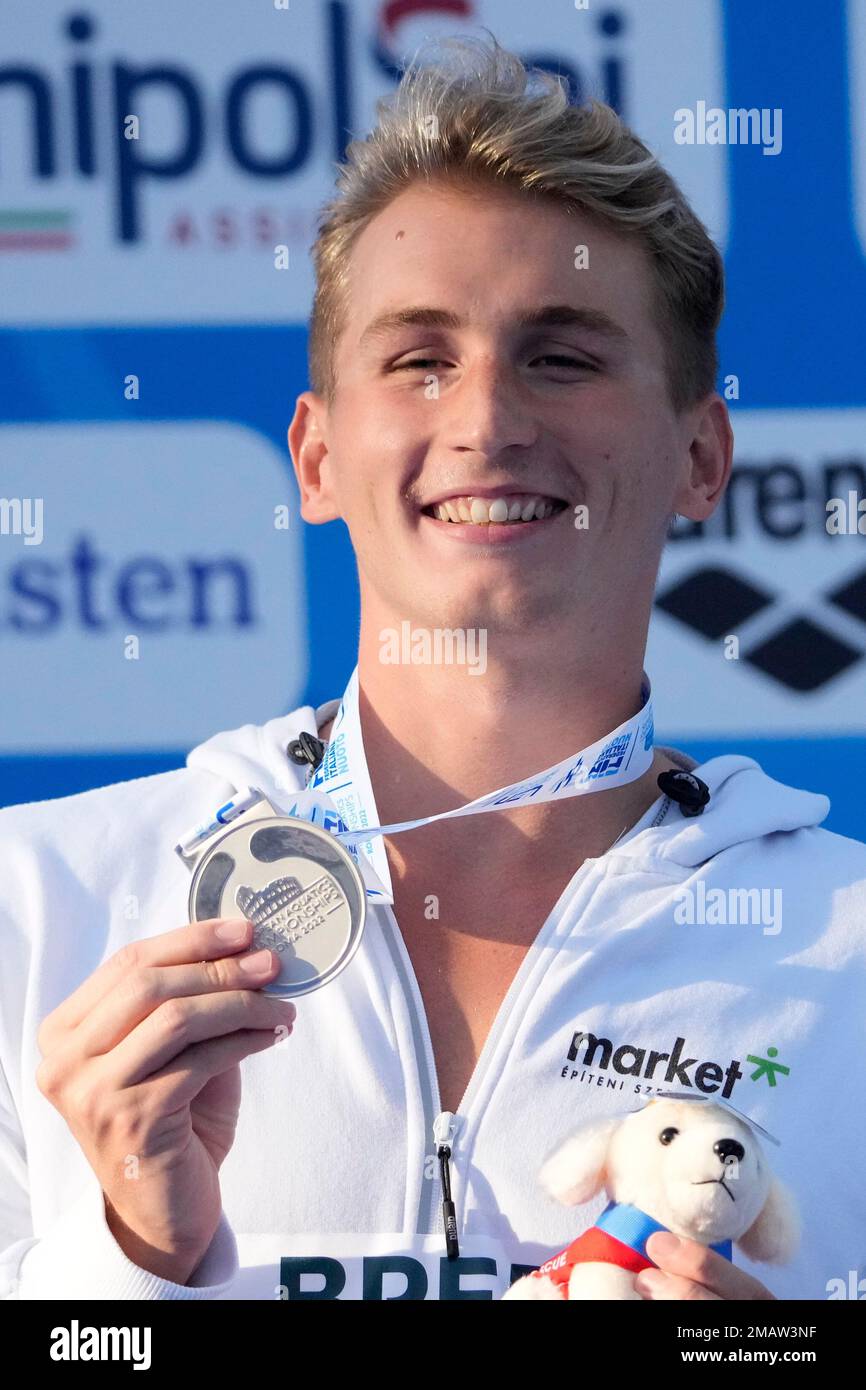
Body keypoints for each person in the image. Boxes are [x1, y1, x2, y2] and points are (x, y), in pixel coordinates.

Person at [1, 34, 864, 1303]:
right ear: (314, 456)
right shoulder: (40, 906)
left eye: (560, 356)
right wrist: (129, 1265)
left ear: (699, 453)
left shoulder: (844, 949)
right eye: (418, 360)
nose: (484, 419)